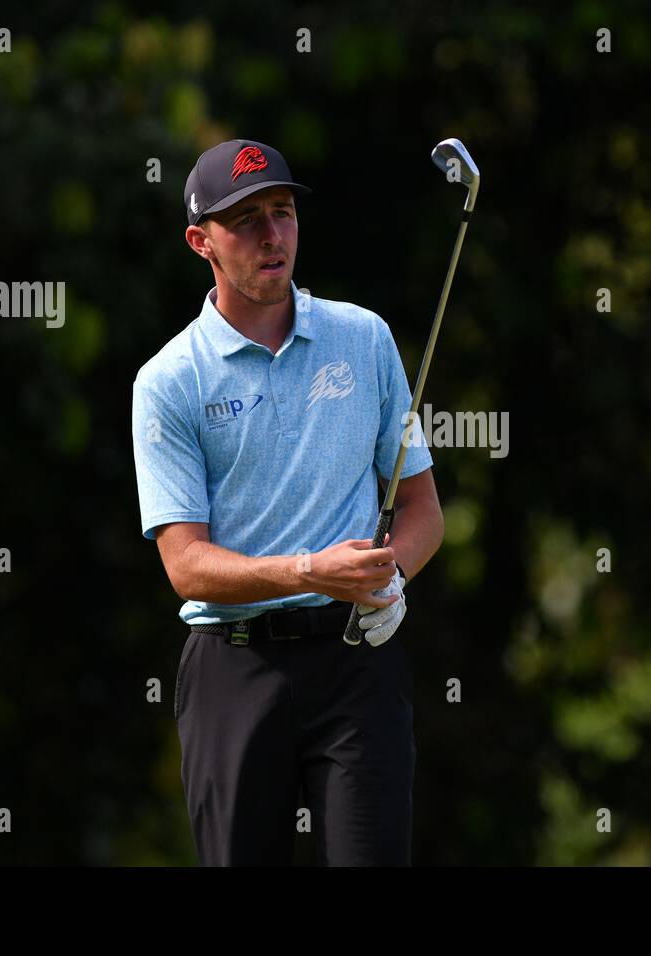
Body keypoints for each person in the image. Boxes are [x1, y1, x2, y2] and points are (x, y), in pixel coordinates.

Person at [131, 139, 444, 865]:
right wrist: (310, 571)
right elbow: (187, 566)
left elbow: (424, 510)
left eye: (283, 212)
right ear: (200, 241)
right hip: (234, 671)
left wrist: (388, 575)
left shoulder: (364, 339)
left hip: (356, 661)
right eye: (246, 220)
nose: (272, 235)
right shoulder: (169, 381)